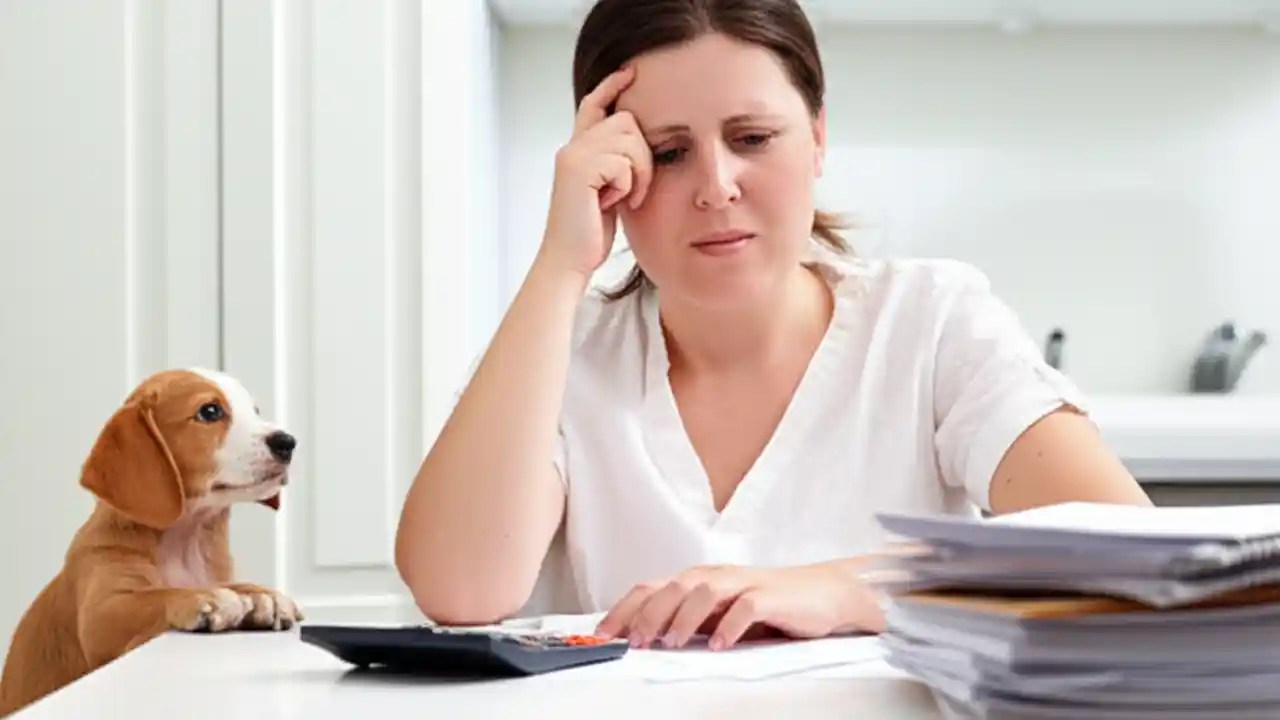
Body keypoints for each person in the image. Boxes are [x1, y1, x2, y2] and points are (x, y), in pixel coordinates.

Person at [395, 0, 1151, 651]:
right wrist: (561, 264)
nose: (716, 187)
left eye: (752, 138)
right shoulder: (563, 353)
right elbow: (458, 591)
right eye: (668, 153)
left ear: (817, 137)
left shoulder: (929, 322)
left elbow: (1129, 554)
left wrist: (846, 590)